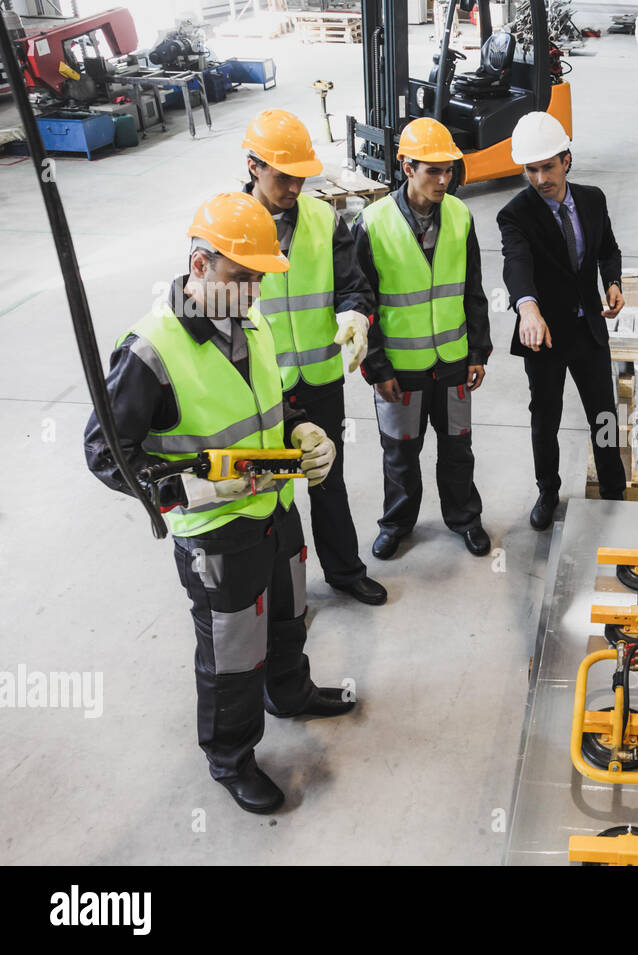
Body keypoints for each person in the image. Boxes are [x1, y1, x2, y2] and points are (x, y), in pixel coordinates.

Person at [85, 193, 355, 814]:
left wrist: (299, 428)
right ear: (200, 265)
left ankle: (288, 693)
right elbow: (106, 453)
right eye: (243, 276)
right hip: (216, 533)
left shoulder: (249, 321)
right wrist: (185, 488)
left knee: (289, 616)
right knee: (233, 652)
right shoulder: (150, 351)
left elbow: (267, 402)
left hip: (273, 510)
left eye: (260, 278)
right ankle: (230, 758)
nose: (254, 291)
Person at [242, 108, 387, 606]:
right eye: (284, 177)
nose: (294, 188)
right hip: (262, 388)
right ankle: (283, 596)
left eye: (301, 177)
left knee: (329, 479)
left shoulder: (325, 220)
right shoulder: (229, 227)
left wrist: (355, 316)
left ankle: (345, 572)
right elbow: (210, 309)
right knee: (270, 494)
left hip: (322, 379)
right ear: (254, 166)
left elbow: (354, 286)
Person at [352, 118, 493, 559]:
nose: (443, 179)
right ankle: (396, 523)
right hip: (400, 370)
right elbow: (361, 303)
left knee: (457, 449)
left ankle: (465, 518)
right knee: (400, 454)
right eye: (432, 170)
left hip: (452, 361)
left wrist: (477, 351)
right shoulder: (372, 224)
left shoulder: (461, 215)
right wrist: (376, 368)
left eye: (448, 169)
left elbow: (472, 289)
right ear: (406, 167)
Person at [497, 111, 626, 530]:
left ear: (566, 160)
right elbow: (516, 264)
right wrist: (527, 308)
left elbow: (608, 248)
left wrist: (612, 282)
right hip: (545, 336)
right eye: (530, 170)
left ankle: (613, 488)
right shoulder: (515, 215)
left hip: (587, 327)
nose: (539, 179)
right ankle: (547, 491)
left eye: (547, 167)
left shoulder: (593, 199)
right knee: (545, 418)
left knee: (603, 414)